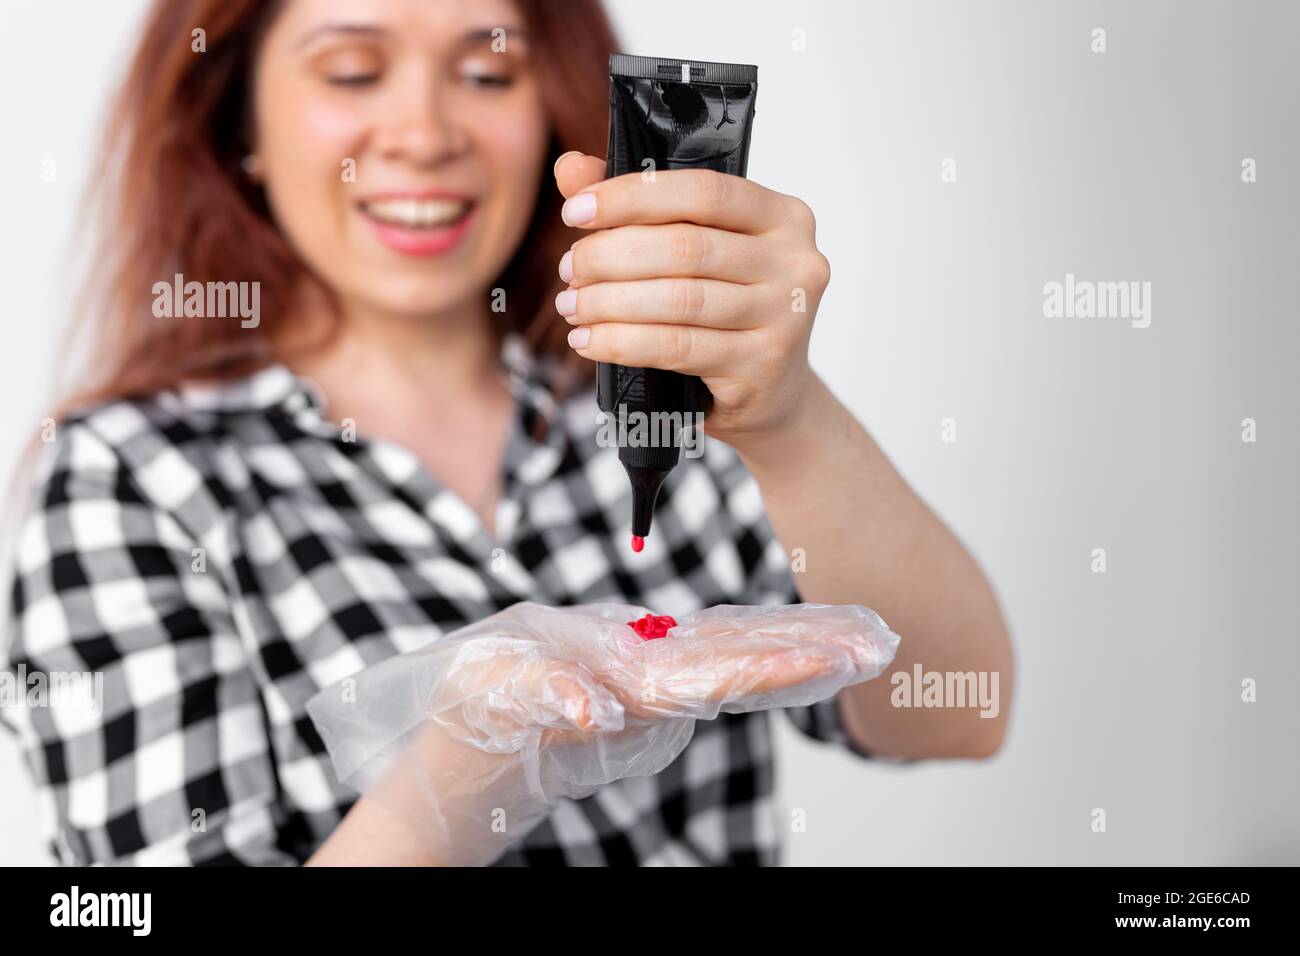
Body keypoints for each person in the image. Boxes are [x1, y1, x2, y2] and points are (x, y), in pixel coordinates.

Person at [0, 0, 1012, 866]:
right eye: (353, 69)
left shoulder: (660, 413)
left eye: (487, 70)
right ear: (242, 121)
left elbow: (957, 709)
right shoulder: (127, 481)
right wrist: (468, 759)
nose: (425, 131)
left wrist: (789, 418)